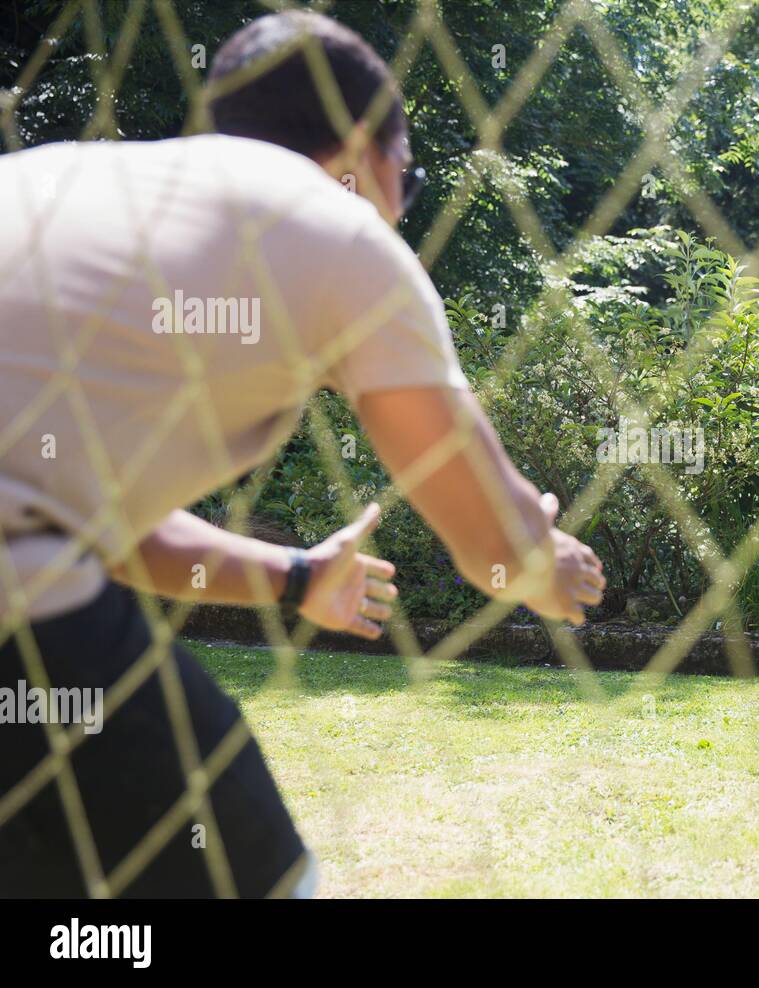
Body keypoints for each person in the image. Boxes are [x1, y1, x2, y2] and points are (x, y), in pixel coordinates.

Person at [0, 9, 604, 897]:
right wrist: (545, 559)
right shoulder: (341, 234)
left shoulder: (66, 184)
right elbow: (492, 551)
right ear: (365, 148)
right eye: (413, 169)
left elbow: (87, 528)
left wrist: (294, 576)